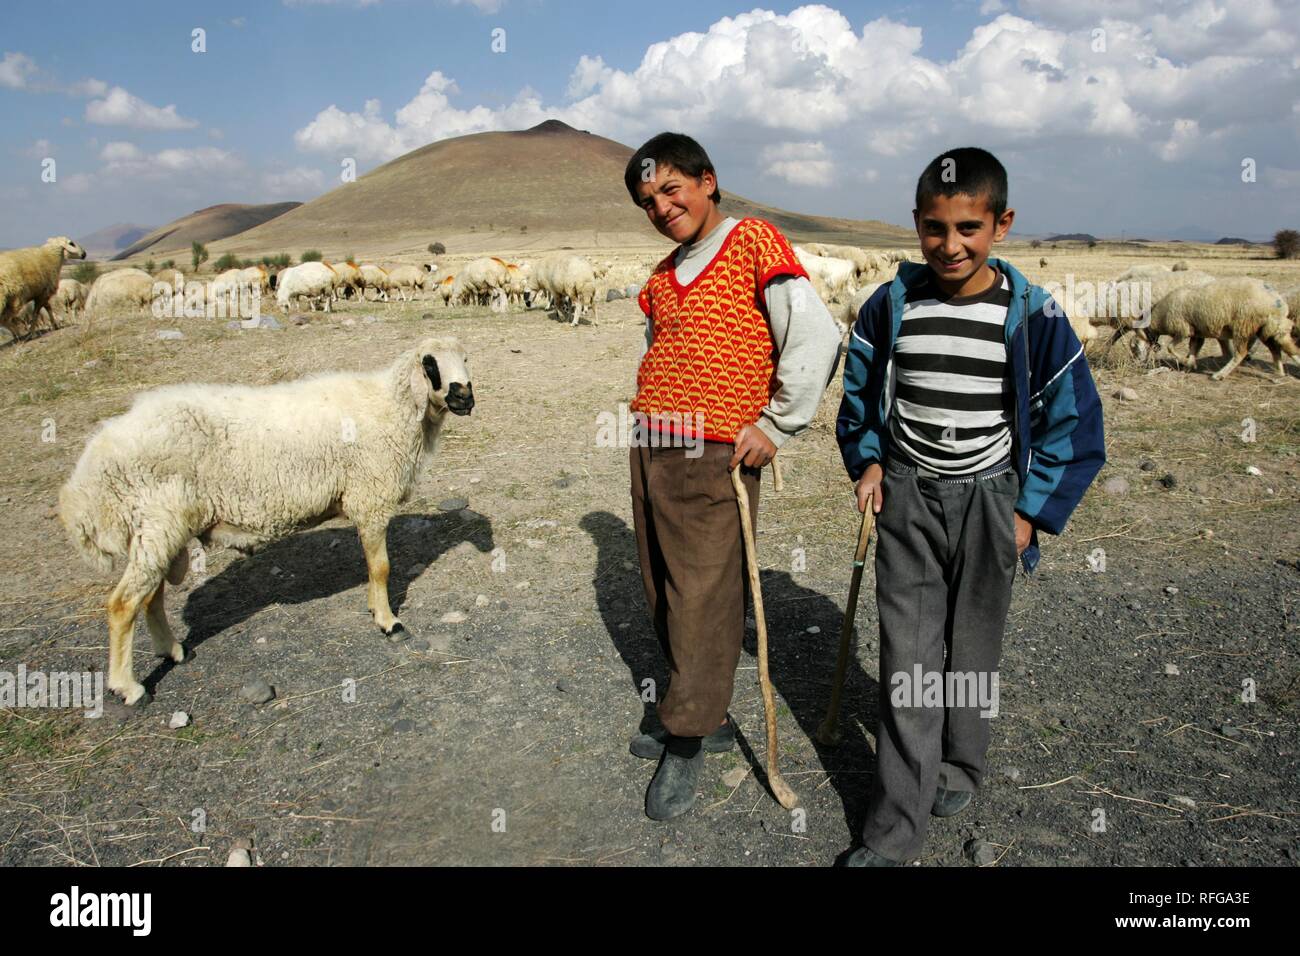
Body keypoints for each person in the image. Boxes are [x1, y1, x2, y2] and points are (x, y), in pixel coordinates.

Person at [835, 146, 1105, 865]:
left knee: (974, 650)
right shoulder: (891, 305)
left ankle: (960, 767)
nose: (949, 245)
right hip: (909, 497)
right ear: (916, 224)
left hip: (991, 501)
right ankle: (894, 831)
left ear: (1001, 224)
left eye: (967, 228)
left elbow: (1073, 423)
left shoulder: (1033, 315)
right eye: (933, 228)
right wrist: (866, 462)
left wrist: (1030, 514)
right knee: (908, 665)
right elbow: (859, 398)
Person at [623, 132, 842, 821]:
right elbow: (667, 348)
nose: (661, 207)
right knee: (662, 584)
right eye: (647, 200)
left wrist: (777, 425)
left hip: (715, 451)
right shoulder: (663, 276)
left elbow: (816, 334)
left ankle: (687, 738)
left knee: (703, 596)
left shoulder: (753, 242)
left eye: (670, 190)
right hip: (653, 443)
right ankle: (704, 711)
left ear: (707, 181)